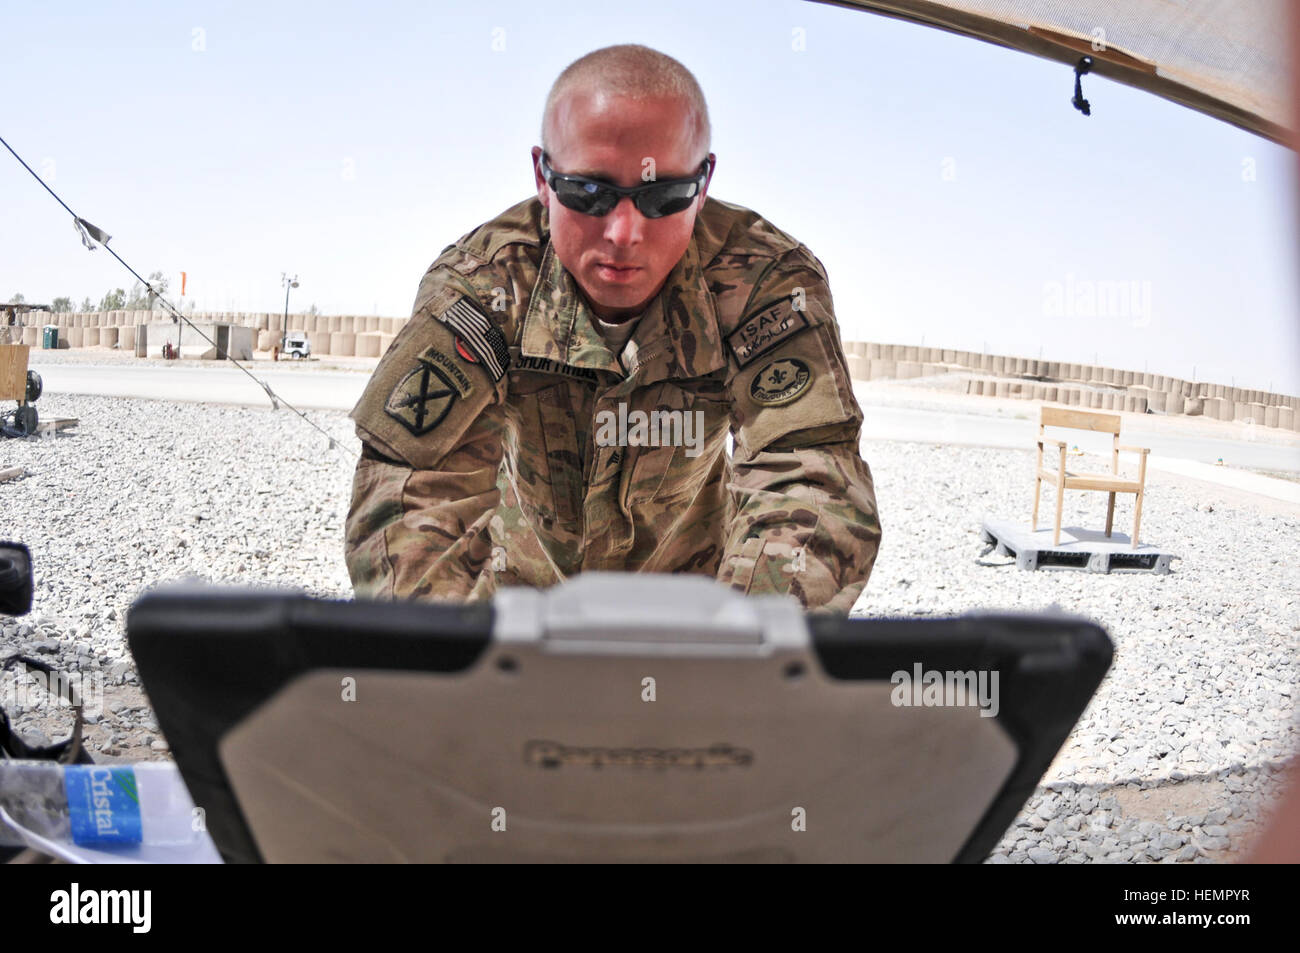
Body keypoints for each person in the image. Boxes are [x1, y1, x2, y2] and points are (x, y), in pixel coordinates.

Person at [346, 44, 881, 613]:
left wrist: (739, 646)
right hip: (516, 610)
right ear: (543, 178)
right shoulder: (487, 285)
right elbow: (416, 492)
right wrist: (464, 663)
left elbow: (809, 479)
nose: (624, 233)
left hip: (694, 614)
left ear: (702, 185)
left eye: (663, 197)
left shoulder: (760, 281)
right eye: (590, 193)